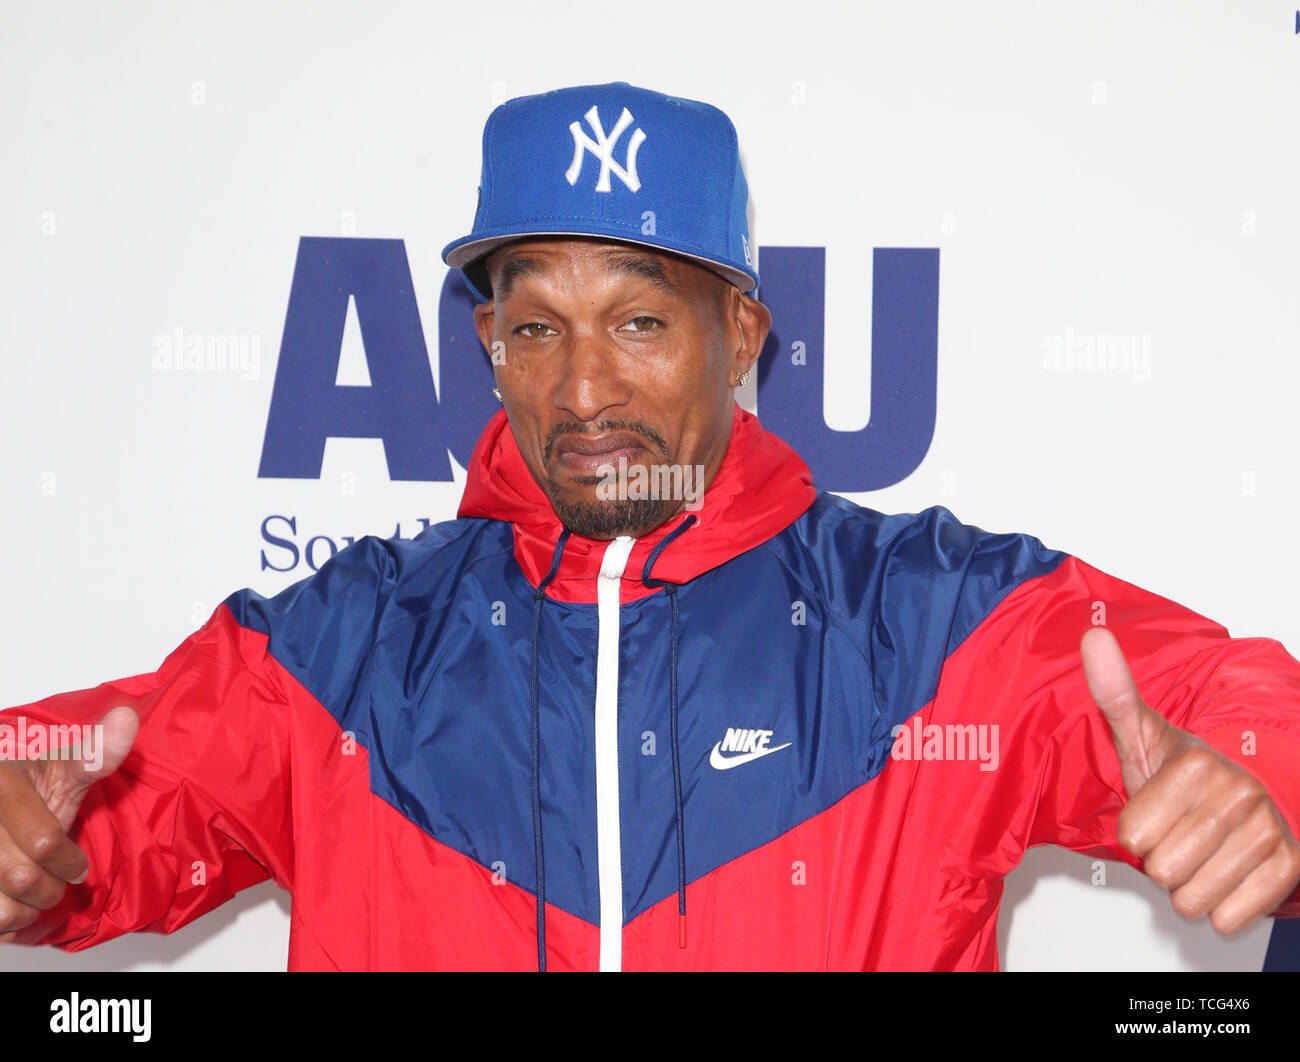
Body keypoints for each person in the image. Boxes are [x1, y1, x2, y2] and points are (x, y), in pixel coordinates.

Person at [1, 81, 1298, 972]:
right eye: (535, 326)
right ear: (487, 347)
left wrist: (1263, 772)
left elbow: (1226, 693)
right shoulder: (345, 646)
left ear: (739, 332)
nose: (583, 390)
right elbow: (91, 785)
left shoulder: (926, 617)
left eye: (638, 320)